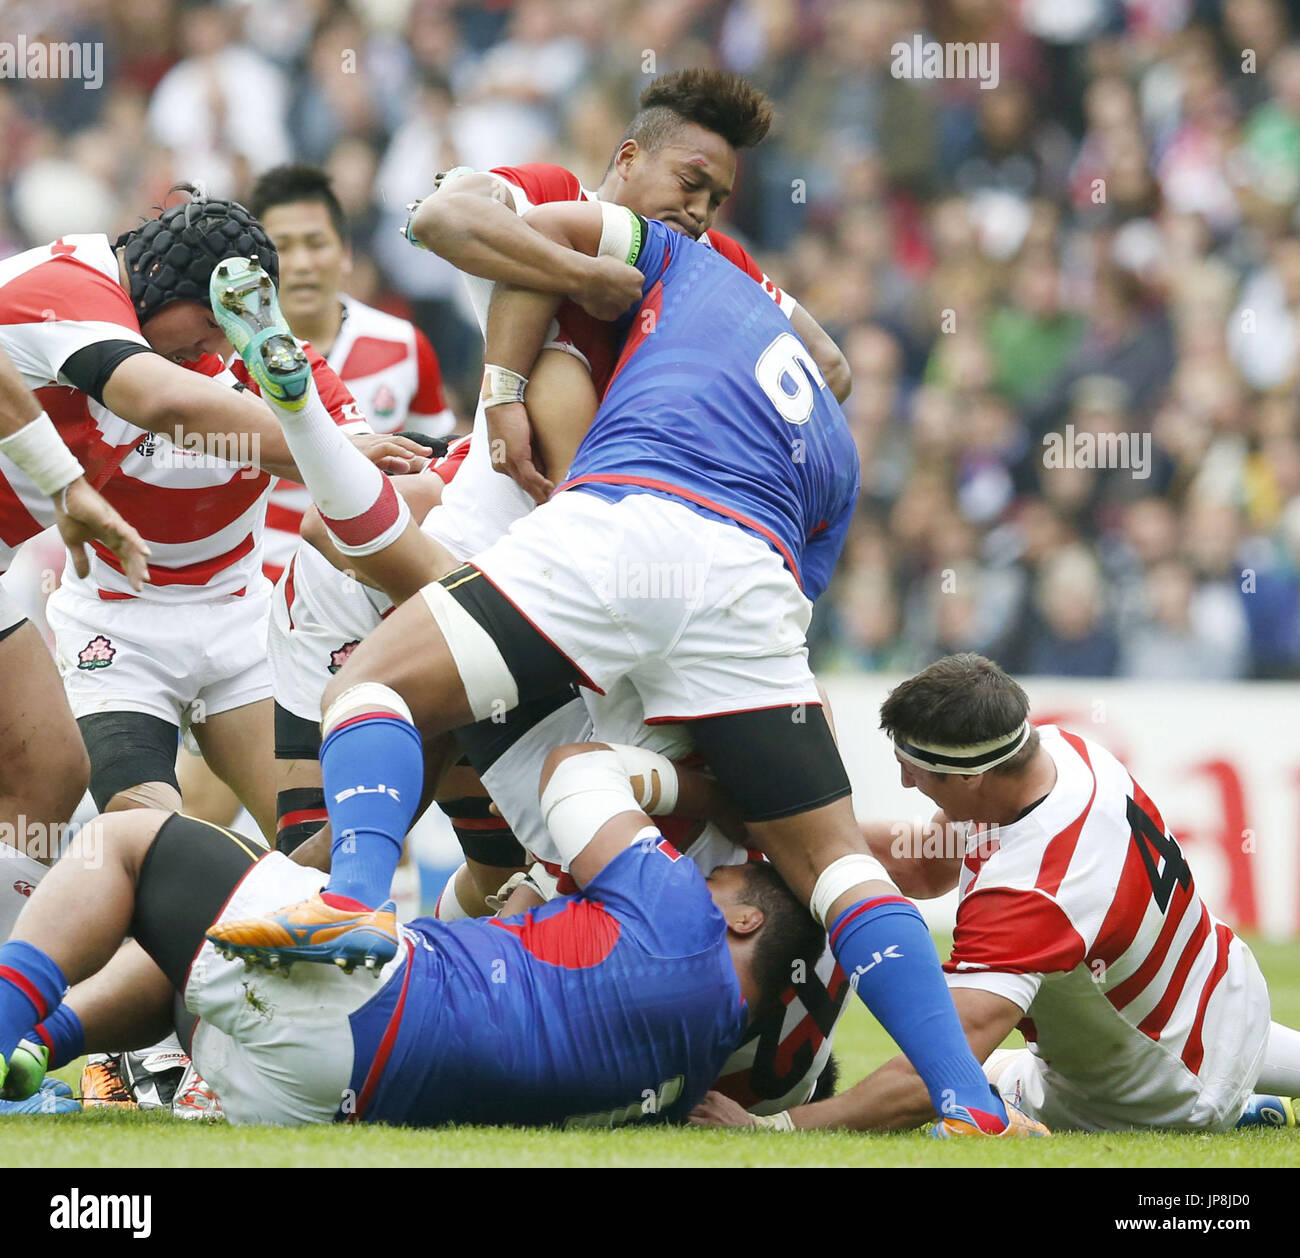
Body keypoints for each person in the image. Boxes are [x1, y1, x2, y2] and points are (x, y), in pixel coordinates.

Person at [204, 204, 1019, 1136]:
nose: (696, 207)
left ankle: (343, 904)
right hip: (732, 584)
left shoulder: (654, 278)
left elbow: (455, 217)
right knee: (802, 863)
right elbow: (858, 773)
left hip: (605, 593)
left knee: (388, 707)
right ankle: (968, 1099)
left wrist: (507, 374)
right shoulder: (831, 444)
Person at [0, 742, 826, 1129]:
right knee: (221, 945)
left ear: (742, 916)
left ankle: (12, 1022)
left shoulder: (684, 916)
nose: (693, 868)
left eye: (715, 873)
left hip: (361, 992)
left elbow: (574, 768)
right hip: (314, 1106)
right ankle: (43, 1043)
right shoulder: (690, 1077)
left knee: (131, 838)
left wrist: (706, 795)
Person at [690, 654, 1300, 1133]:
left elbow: (933, 1077)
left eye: (916, 766)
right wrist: (794, 836)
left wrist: (775, 1125)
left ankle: (1230, 1107)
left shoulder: (1032, 893)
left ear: (973, 776)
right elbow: (928, 866)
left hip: (1154, 1096)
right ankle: (1251, 1100)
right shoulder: (1060, 750)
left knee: (979, 1079)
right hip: (1229, 1006)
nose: (903, 777)